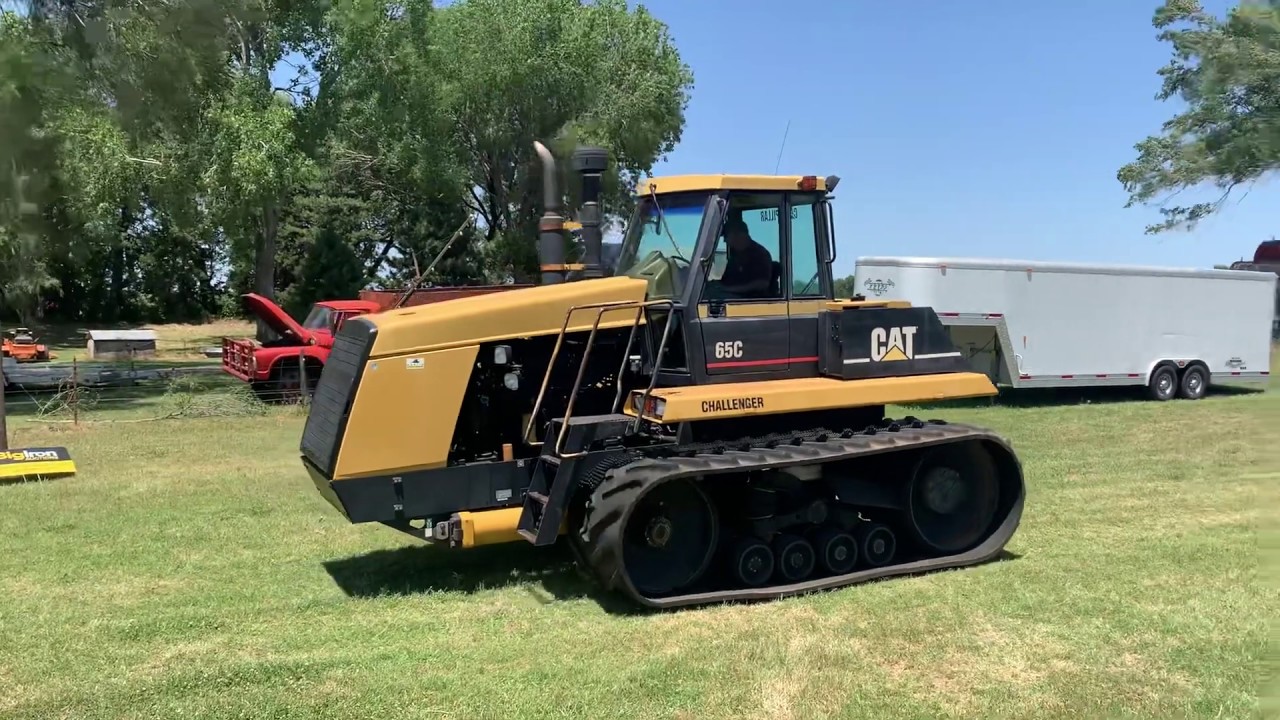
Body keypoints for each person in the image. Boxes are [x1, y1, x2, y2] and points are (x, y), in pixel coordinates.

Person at [717, 215, 774, 298]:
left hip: (751, 300)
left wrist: (730, 289)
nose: (724, 240)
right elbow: (726, 280)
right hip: (733, 297)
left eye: (726, 236)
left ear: (738, 234)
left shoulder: (759, 254)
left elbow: (762, 284)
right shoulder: (735, 255)